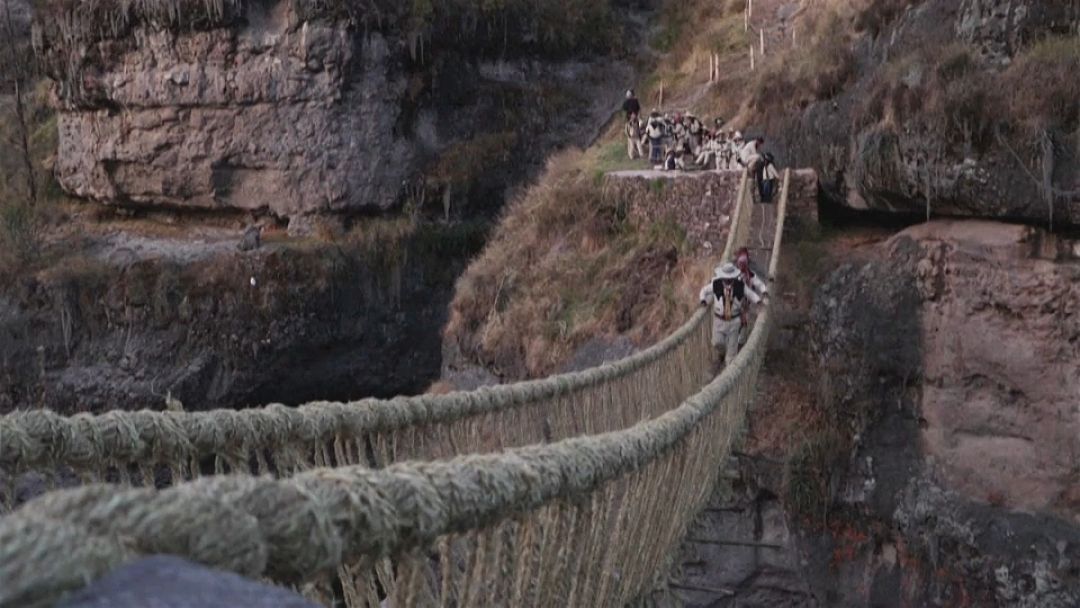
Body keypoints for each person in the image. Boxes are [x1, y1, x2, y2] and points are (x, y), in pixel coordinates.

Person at [699, 262, 762, 369]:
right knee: (716, 343)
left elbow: (750, 294)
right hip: (719, 320)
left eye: (730, 278)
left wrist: (759, 301)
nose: (727, 280)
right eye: (725, 278)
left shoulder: (740, 285)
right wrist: (703, 300)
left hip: (734, 321)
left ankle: (728, 374)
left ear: (733, 277)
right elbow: (704, 290)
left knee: (731, 356)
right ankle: (722, 353)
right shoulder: (716, 284)